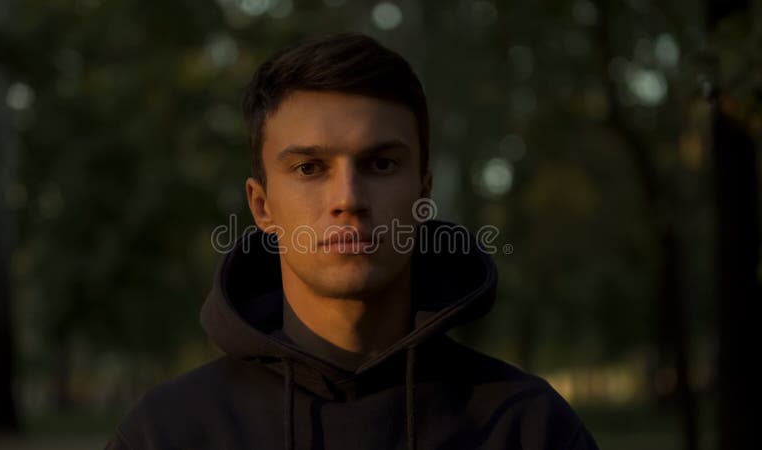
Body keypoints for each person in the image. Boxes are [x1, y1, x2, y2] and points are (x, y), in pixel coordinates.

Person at [106, 32, 599, 450]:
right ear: (262, 207)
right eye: (309, 168)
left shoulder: (529, 428)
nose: (348, 198)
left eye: (381, 164)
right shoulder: (165, 434)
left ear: (423, 193)